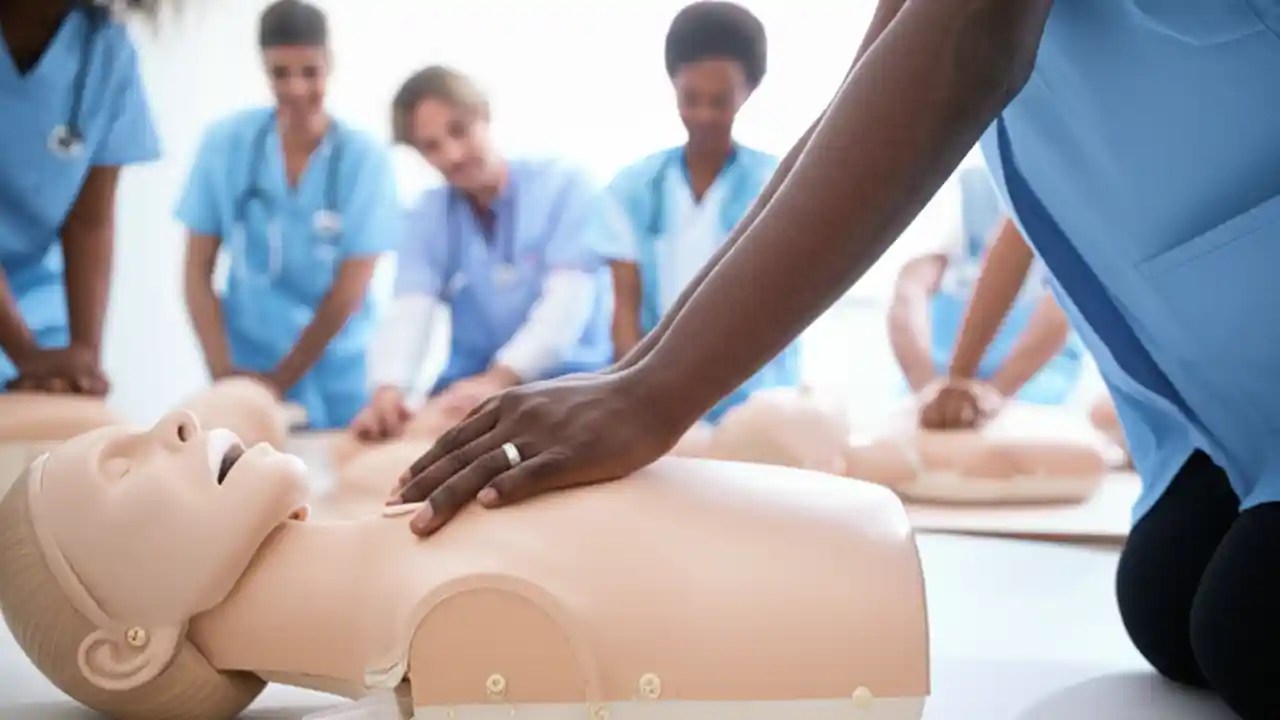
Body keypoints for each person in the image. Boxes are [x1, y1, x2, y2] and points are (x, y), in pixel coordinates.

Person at [392, 3, 1280, 716]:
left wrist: (653, 394)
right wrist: (636, 380)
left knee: (1250, 630)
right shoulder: (640, 186)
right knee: (1170, 606)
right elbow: (859, 102)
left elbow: (973, 43)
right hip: (1223, 386)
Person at [349, 65, 619, 441]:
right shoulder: (429, 215)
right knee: (365, 449)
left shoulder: (565, 187)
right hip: (467, 393)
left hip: (565, 387)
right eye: (431, 146)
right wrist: (388, 391)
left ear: (483, 114)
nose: (453, 154)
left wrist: (499, 379)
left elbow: (566, 308)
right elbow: (409, 312)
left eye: (459, 130)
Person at [176, 0, 400, 430]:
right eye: (280, 73)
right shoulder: (226, 145)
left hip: (341, 375)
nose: (296, 88)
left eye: (309, 72)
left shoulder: (363, 159)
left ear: (330, 64)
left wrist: (280, 380)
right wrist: (226, 377)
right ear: (263, 69)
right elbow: (196, 271)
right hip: (247, 362)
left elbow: (348, 292)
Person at [607, 1, 798, 423]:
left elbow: (778, 306)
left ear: (749, 91)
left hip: (755, 396)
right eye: (691, 98)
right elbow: (624, 309)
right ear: (673, 84)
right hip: (651, 393)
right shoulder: (632, 188)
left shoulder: (780, 185)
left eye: (721, 100)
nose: (705, 115)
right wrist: (630, 395)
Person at [0, 0, 163, 395]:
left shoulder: (105, 51)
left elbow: (89, 223)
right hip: (17, 327)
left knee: (65, 408)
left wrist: (84, 358)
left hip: (35, 296)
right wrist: (24, 352)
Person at [890, 162, 1083, 428]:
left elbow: (1058, 314)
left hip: (1029, 389)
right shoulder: (947, 247)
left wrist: (997, 391)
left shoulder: (1063, 241)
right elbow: (908, 295)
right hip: (936, 382)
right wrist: (931, 389)